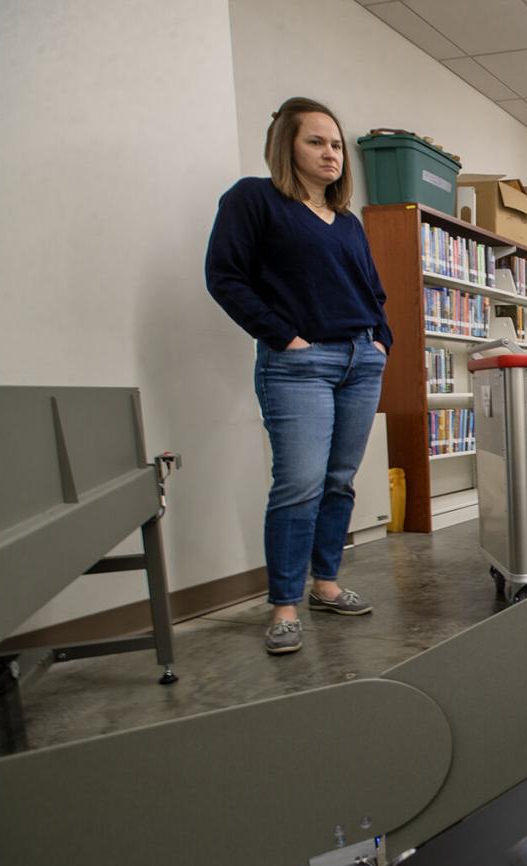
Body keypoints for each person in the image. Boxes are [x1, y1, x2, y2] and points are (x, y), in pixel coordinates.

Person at [205, 97, 392, 655]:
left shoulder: (348, 223)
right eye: (316, 142)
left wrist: (381, 341)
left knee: (339, 480)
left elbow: (374, 292)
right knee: (299, 484)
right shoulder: (254, 199)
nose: (331, 153)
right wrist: (284, 336)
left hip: (361, 361)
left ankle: (325, 585)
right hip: (299, 366)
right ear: (286, 145)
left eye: (336, 145)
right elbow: (225, 276)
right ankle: (284, 606)